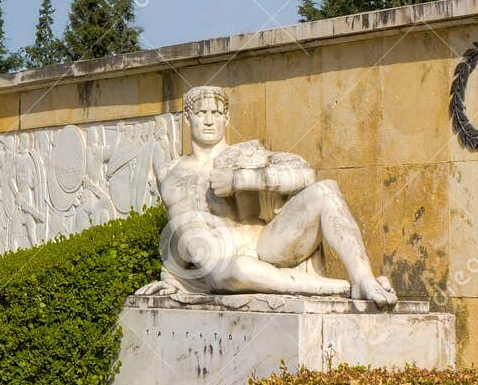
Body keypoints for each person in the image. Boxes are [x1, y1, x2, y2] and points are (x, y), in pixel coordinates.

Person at [140, 85, 397, 308]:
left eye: (216, 113)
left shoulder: (242, 156)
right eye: (201, 113)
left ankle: (363, 278)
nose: (209, 121)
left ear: (226, 118)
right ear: (188, 118)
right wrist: (173, 278)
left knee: (326, 190)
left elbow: (305, 175)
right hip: (221, 268)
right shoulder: (169, 172)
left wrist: (241, 179)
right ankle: (338, 288)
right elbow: (181, 228)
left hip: (266, 246)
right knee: (238, 268)